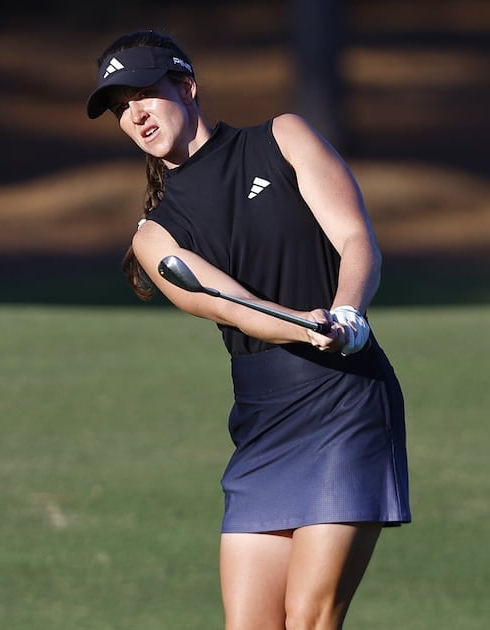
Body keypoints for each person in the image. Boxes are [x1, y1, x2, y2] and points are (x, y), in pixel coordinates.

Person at [85, 30, 410, 629]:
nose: (134, 113)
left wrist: (346, 313)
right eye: (118, 105)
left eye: (145, 93)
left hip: (343, 400)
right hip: (264, 417)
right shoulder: (155, 235)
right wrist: (302, 327)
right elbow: (231, 305)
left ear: (187, 87)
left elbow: (355, 238)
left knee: (309, 618)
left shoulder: (283, 138)